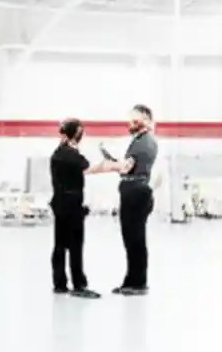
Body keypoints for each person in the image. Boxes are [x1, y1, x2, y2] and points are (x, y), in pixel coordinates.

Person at [49, 117, 116, 298]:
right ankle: (79, 284)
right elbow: (89, 168)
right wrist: (111, 166)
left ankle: (60, 283)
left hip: (59, 203)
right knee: (76, 245)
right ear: (77, 134)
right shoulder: (72, 155)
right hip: (72, 205)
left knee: (60, 245)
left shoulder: (58, 153)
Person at [101, 104, 157, 296]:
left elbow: (126, 168)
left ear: (146, 121)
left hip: (135, 192)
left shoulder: (143, 143)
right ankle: (132, 281)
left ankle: (137, 283)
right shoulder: (143, 141)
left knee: (134, 240)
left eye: (135, 119)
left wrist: (110, 163)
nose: (130, 123)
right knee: (134, 240)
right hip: (137, 191)